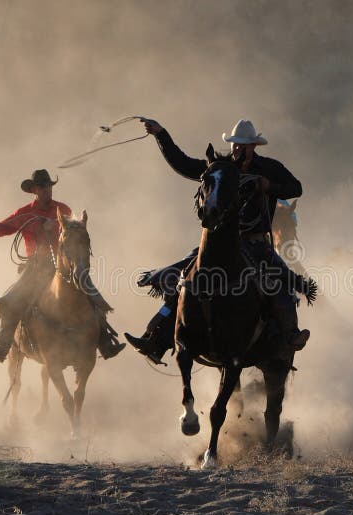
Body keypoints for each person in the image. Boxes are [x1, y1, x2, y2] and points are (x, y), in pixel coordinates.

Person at [125, 118, 311, 363]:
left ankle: (289, 335)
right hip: (220, 242)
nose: (237, 148)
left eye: (242, 144)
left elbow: (295, 188)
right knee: (184, 278)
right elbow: (183, 163)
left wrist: (269, 186)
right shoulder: (219, 169)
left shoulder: (268, 168)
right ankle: (156, 336)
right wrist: (161, 134)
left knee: (281, 283)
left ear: (253, 146)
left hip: (256, 244)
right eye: (234, 144)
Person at [0, 169, 125, 362]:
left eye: (49, 187)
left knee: (94, 298)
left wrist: (53, 225)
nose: (47, 191)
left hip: (66, 265)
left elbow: (74, 231)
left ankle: (105, 341)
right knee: (11, 301)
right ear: (35, 190)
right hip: (36, 268)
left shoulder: (63, 209)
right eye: (42, 188)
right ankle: (4, 343)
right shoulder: (24, 213)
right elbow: (0, 229)